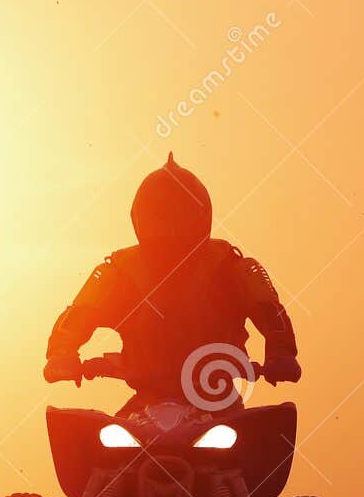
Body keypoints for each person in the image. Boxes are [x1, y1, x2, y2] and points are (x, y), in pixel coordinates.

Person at [43, 154, 300, 404]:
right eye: (159, 216)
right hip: (146, 407)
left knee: (265, 430)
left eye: (180, 215)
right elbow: (81, 312)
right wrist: (62, 352)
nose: (170, 227)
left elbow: (269, 311)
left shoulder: (229, 267)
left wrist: (281, 352)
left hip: (217, 403)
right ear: (140, 218)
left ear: (201, 216)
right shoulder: (120, 272)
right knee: (83, 433)